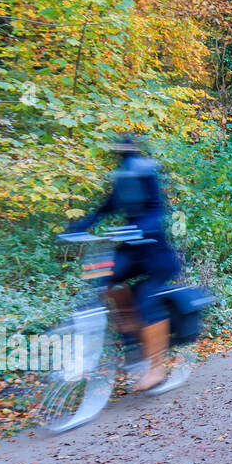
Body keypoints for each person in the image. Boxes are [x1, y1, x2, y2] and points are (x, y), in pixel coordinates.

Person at [65, 135, 181, 392]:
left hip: (155, 254)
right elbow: (105, 208)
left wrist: (140, 228)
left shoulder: (147, 173)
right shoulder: (122, 178)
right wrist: (79, 227)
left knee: (146, 299)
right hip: (132, 251)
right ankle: (131, 332)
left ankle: (157, 369)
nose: (123, 159)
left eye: (125, 153)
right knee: (106, 280)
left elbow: (158, 209)